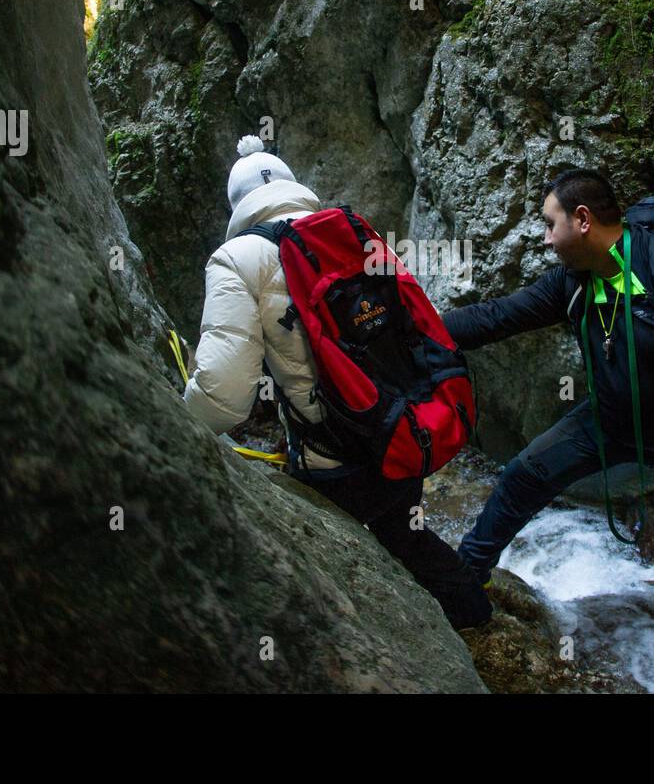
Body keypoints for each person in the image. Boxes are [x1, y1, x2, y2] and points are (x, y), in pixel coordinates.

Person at [183, 135, 492, 629]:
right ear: (290, 184)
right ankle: (477, 615)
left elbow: (224, 396)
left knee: (310, 569)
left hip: (333, 467)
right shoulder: (348, 231)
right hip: (400, 434)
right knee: (405, 535)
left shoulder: (236, 259)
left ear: (237, 203)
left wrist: (174, 420)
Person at [442, 169, 654, 596]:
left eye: (548, 224)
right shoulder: (573, 281)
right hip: (605, 422)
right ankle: (464, 579)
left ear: (582, 220)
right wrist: (413, 325)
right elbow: (496, 317)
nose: (545, 238)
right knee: (522, 476)